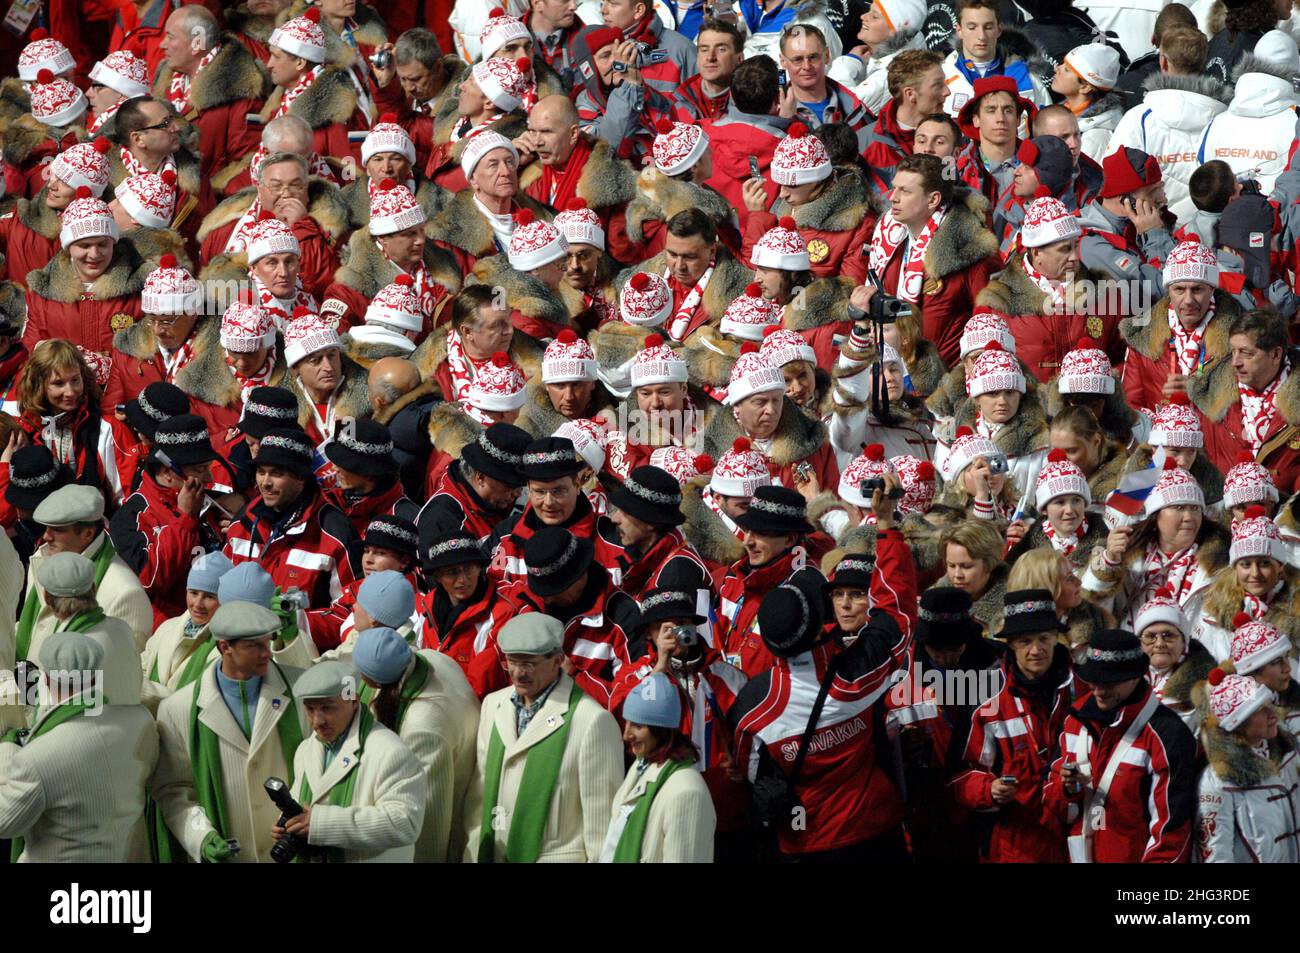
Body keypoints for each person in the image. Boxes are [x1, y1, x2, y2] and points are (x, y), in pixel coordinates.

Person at [729, 512, 915, 862]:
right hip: (875, 831)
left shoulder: (752, 709)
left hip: (803, 841)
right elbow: (898, 613)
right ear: (820, 622)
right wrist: (888, 529)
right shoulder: (856, 674)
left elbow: (750, 772)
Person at [152, 600, 307, 863]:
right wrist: (200, 837)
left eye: (267, 643)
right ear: (225, 647)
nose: (266, 653)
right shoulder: (176, 709)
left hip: (296, 850)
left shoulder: (300, 690)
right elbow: (174, 791)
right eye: (254, 646)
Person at [464, 613, 624, 862]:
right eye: (511, 662)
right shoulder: (493, 705)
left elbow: (601, 825)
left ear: (557, 660)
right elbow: (479, 798)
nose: (518, 673)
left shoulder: (592, 721)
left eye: (528, 664)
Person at [0, 634, 157, 862]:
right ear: (94, 678)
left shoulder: (36, 757)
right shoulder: (140, 720)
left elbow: (5, 823)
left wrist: (8, 752)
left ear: (45, 680)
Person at [1045, 628, 1198, 862]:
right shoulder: (1075, 721)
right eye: (1094, 680)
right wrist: (1069, 790)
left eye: (1111, 682)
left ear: (1136, 676)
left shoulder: (1168, 734)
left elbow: (1171, 830)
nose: (1100, 690)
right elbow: (1054, 802)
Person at [948, 589, 1074, 862]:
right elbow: (959, 775)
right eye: (1025, 641)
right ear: (1011, 645)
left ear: (1056, 638)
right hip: (1014, 845)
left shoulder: (1082, 690)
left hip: (1076, 837)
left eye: (1044, 639)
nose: (1036, 650)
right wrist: (989, 790)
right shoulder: (986, 698)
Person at [352, 625, 480, 862]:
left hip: (454, 820)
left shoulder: (422, 728)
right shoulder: (432, 657)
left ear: (373, 681)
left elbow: (429, 818)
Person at [278, 659, 427, 862]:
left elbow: (406, 824)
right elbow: (302, 802)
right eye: (310, 709)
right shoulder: (307, 748)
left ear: (354, 701)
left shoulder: (391, 752)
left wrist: (322, 824)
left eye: (327, 708)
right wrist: (288, 824)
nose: (317, 721)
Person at [860, 153, 1000, 366]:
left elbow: (989, 323)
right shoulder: (888, 239)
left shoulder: (969, 250)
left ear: (933, 199)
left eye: (905, 191)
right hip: (891, 373)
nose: (892, 197)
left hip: (942, 383)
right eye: (894, 187)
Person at [14, 485, 153, 675]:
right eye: (46, 527)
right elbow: (32, 626)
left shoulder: (126, 593)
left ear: (87, 534)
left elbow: (123, 672)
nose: (46, 536)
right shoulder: (43, 558)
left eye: (57, 529)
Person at [224, 426, 362, 611]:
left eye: (277, 473)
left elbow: (348, 612)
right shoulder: (242, 522)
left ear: (301, 478)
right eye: (261, 471)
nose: (266, 483)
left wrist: (296, 623)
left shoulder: (334, 532)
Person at [1083, 459, 1230, 633]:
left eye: (1195, 508)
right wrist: (1109, 564)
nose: (1189, 517)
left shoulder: (1222, 562)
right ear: (1156, 515)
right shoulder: (1129, 553)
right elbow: (1091, 610)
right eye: (1179, 507)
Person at [109, 415, 225, 628]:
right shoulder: (131, 516)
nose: (209, 478)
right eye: (199, 470)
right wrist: (185, 518)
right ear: (167, 472)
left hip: (215, 626)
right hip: (165, 632)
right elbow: (153, 579)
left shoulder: (209, 504)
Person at [1105, 28, 1229, 223]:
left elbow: (1113, 183)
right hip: (1212, 228)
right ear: (1205, 62)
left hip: (1154, 230)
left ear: (1162, 61)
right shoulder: (1225, 119)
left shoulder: (1138, 119)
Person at [599, 671, 716, 862]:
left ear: (661, 730)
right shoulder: (641, 764)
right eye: (627, 722)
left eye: (637, 726)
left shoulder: (687, 792)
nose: (627, 735)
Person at [715, 485, 829, 676]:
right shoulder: (736, 575)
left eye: (761, 533)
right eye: (748, 530)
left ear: (790, 540)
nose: (748, 542)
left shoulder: (809, 592)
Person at [742, 121, 874, 283]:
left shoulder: (860, 224)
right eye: (782, 184)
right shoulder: (784, 207)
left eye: (793, 185)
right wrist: (759, 218)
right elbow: (752, 282)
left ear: (819, 180)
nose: (782, 194)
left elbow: (848, 295)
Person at [21, 189, 146, 357]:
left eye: (102, 244)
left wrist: (110, 368)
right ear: (68, 247)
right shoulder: (41, 294)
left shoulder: (141, 289)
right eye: (85, 246)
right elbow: (33, 349)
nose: (94, 254)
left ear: (113, 243)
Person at [1119, 241, 1240, 414]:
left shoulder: (1241, 340)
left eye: (1197, 289)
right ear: (1169, 290)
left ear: (1212, 289)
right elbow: (1131, 410)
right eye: (1179, 289)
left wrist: (1197, 395)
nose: (1189, 300)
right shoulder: (1141, 337)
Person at [14, 340, 137, 505]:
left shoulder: (107, 429)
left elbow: (128, 500)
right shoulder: (24, 429)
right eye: (58, 383)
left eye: (75, 380)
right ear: (39, 384)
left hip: (90, 527)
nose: (70, 392)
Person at [155, 6, 267, 188]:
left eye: (171, 37)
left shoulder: (241, 88)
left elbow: (247, 164)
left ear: (197, 42)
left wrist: (210, 200)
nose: (162, 44)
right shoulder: (165, 81)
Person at [1197, 668, 1300, 862]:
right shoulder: (1219, 780)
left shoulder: (1289, 752)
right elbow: (1216, 853)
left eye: (1271, 705)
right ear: (1238, 722)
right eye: (1261, 710)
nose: (1273, 715)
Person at [1191, 309, 1300, 492]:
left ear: (1275, 355)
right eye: (1233, 351)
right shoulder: (1208, 394)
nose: (1235, 362)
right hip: (1221, 514)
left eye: (1246, 353)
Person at [0, 138, 112, 289]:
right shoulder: (20, 215)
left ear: (86, 192)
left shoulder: (106, 235)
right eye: (54, 175)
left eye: (64, 182)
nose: (51, 185)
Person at [1197, 30, 1299, 197]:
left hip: (1220, 220)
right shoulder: (1295, 123)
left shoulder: (1215, 124)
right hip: (1277, 220)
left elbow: (1201, 185)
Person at [419, 532, 515, 694]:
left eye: (469, 569)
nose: (463, 579)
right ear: (438, 576)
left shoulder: (500, 614)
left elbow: (480, 688)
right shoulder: (424, 609)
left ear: (479, 568)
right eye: (452, 572)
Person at [138, 551, 231, 712]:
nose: (198, 604)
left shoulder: (226, 649)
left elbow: (199, 706)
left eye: (209, 596)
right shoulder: (167, 627)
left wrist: (139, 689)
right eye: (193, 593)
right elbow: (140, 668)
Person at [941, 0, 1046, 119]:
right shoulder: (942, 76)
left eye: (988, 27)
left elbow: (1046, 131)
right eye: (972, 27)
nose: (981, 36)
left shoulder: (1025, 77)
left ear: (999, 30)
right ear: (959, 30)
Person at [859, 49, 947, 191]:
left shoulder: (957, 136)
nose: (947, 91)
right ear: (910, 94)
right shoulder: (865, 145)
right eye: (938, 85)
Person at [282, 312, 372, 448]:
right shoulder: (283, 409)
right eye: (315, 360)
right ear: (295, 367)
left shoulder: (369, 398)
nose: (328, 367)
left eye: (331, 356)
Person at [1134, 587, 1214, 733]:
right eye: (1150, 636)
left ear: (1184, 642)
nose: (1159, 644)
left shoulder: (1206, 688)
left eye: (1168, 635)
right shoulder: (1125, 682)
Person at [827, 0, 927, 116]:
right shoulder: (886, 58)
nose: (863, 16)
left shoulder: (891, 77)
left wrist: (849, 62)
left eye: (874, 16)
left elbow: (840, 105)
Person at [932, 519, 1010, 635]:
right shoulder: (934, 602)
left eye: (966, 566)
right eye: (951, 565)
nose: (957, 575)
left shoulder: (1011, 609)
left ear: (990, 563)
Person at [1050, 43, 1122, 163]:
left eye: (1067, 69)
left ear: (1085, 87)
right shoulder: (1058, 115)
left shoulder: (1095, 137)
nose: (1057, 68)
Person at [674, 17, 743, 122]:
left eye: (721, 49)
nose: (710, 57)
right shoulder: (678, 100)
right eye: (704, 49)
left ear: (739, 59)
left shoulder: (753, 102)